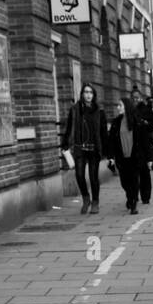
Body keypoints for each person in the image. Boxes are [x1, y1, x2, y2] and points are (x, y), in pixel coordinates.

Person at [61, 83, 107, 214]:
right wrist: (65, 143)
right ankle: (86, 198)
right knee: (79, 175)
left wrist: (106, 151)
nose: (88, 95)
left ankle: (95, 202)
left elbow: (103, 132)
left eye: (91, 92)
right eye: (86, 92)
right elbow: (69, 127)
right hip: (80, 147)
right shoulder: (75, 109)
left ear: (94, 95)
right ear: (82, 94)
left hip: (94, 148)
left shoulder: (99, 111)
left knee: (93, 177)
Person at [108, 98, 145, 214]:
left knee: (134, 180)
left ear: (126, 106)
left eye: (120, 105)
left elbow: (144, 140)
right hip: (121, 157)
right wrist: (110, 156)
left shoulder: (136, 121)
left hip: (134, 156)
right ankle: (130, 197)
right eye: (117, 105)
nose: (118, 107)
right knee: (124, 182)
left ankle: (133, 203)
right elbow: (111, 141)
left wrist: (148, 158)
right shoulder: (115, 122)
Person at [130, 87, 153, 202]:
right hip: (132, 144)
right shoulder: (130, 110)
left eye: (137, 98)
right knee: (133, 173)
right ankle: (134, 196)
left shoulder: (146, 109)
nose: (135, 100)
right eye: (133, 98)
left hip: (144, 143)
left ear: (141, 98)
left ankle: (146, 196)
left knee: (144, 172)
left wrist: (145, 123)